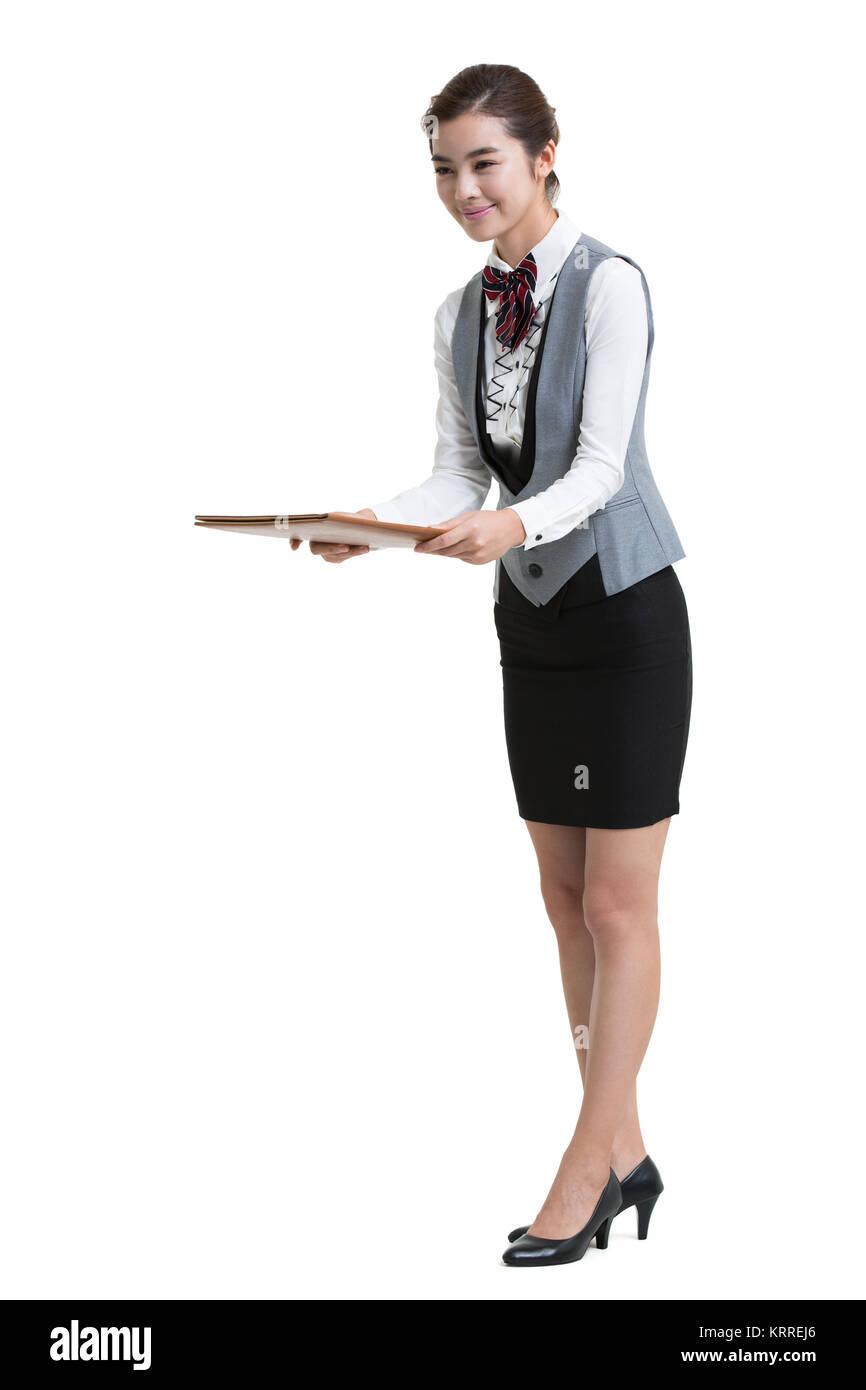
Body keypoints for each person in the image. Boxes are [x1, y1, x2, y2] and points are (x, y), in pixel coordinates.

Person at [291, 63, 692, 1269]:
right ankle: (622, 1147)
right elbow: (460, 473)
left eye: (483, 162)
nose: (463, 190)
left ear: (544, 152)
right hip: (531, 628)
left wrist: (512, 526)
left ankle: (583, 1160)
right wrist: (370, 525)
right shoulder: (457, 312)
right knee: (560, 901)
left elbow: (599, 467)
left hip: (623, 617)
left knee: (617, 904)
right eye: (443, 169)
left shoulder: (609, 282)